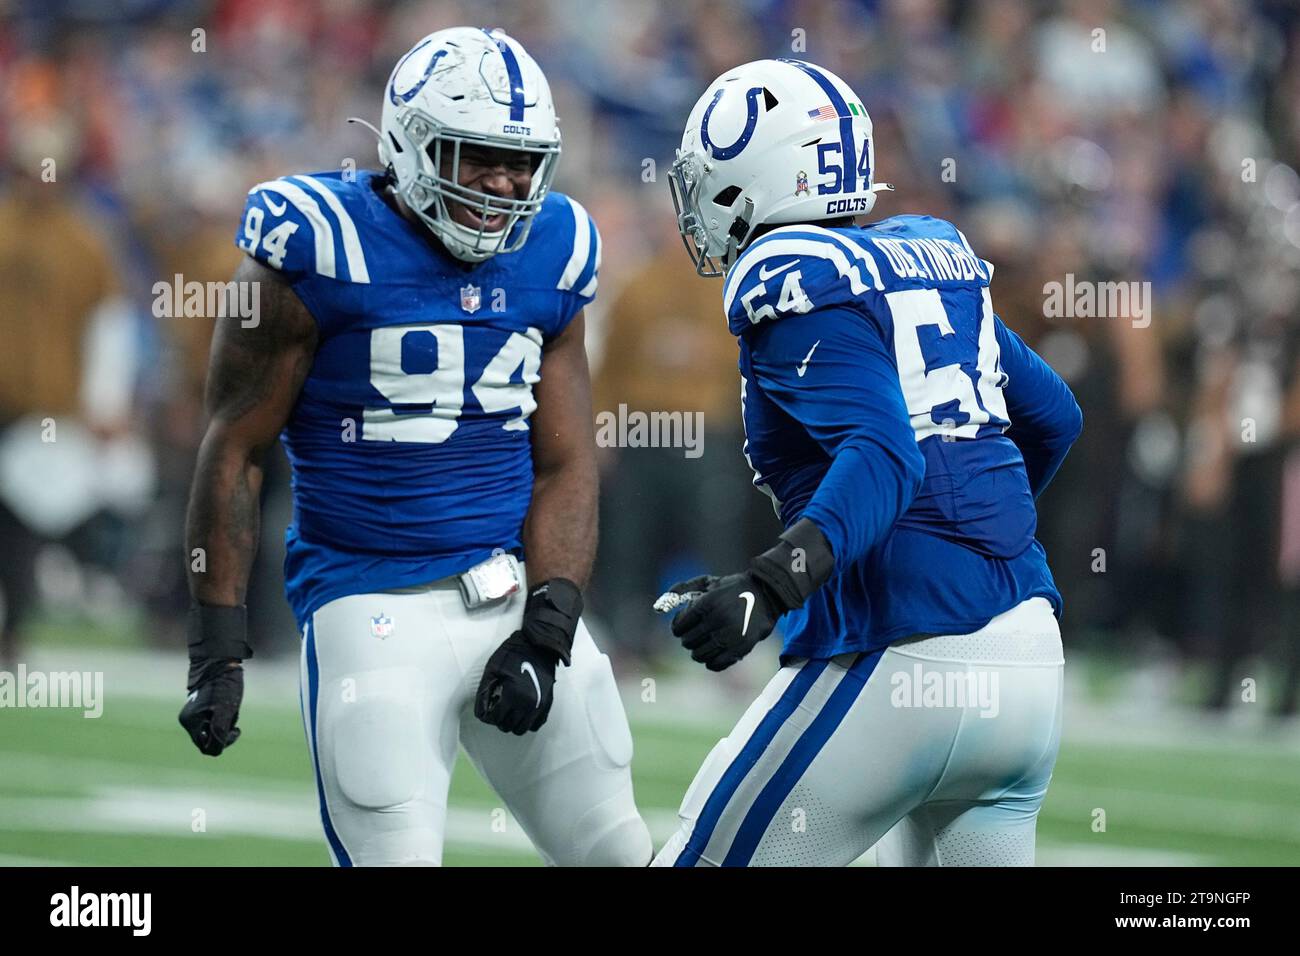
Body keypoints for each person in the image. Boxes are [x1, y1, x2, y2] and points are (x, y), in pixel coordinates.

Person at [178, 27, 651, 867]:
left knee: (621, 850)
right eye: (477, 158)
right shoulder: (317, 243)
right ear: (413, 143)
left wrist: (549, 625)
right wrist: (217, 644)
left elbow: (567, 461)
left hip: (509, 591)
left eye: (521, 163)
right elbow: (236, 448)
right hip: (371, 609)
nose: (505, 184)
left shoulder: (555, 248)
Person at [653, 58, 1082, 866]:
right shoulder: (934, 256)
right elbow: (1055, 417)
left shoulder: (790, 278)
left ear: (758, 180)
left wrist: (771, 584)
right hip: (1026, 654)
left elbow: (884, 454)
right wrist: (975, 547)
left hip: (899, 651)